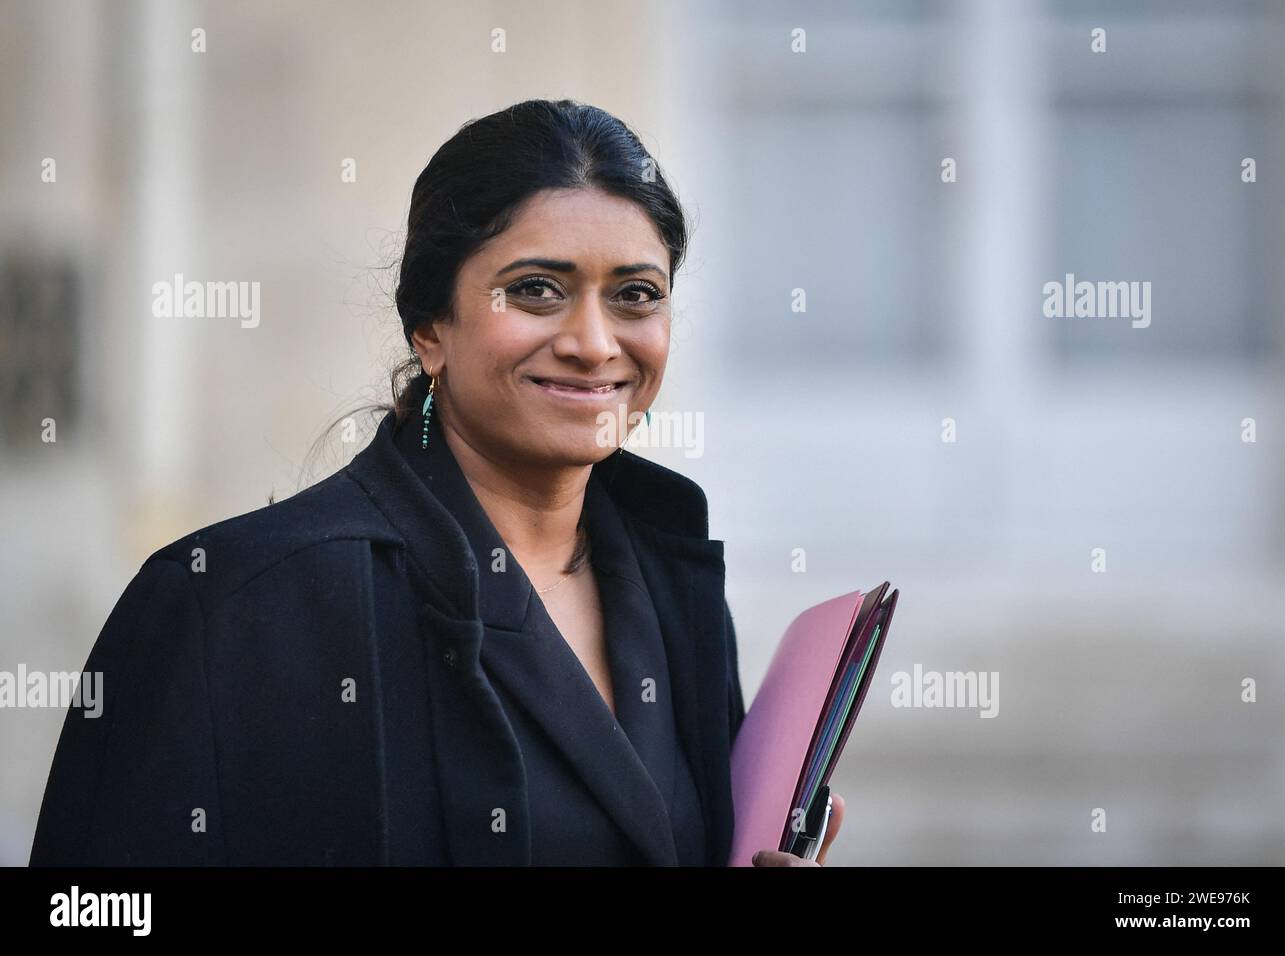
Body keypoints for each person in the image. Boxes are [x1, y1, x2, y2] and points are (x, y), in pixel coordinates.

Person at [28, 98, 842, 866]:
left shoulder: (677, 591)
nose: (595, 343)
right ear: (430, 328)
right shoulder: (232, 603)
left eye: (635, 295)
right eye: (536, 290)